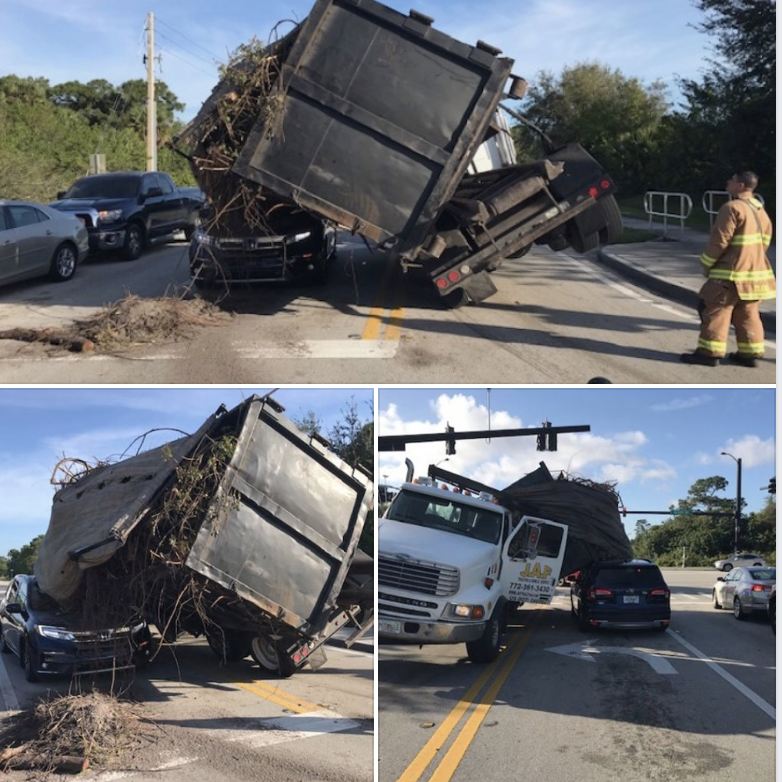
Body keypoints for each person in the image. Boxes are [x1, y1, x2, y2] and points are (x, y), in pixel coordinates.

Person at [680, 170, 775, 367]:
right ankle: (750, 354)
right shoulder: (760, 211)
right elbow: (764, 244)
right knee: (747, 313)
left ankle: (709, 353)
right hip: (754, 277)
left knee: (716, 310)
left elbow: (719, 242)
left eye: (731, 180)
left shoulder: (731, 208)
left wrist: (706, 263)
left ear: (740, 185)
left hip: (730, 274)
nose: (727, 182)